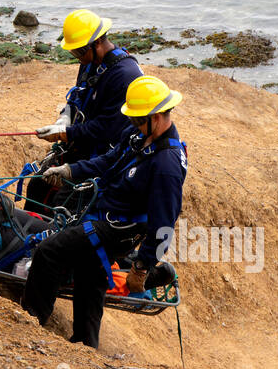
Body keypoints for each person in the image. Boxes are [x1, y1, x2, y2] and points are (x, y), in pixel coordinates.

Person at [23, 75, 187, 348]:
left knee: (49, 252)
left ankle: (30, 321)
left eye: (138, 119)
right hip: (104, 216)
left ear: (156, 116)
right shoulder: (139, 136)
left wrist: (142, 266)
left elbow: (163, 224)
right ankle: (86, 345)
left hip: (117, 231)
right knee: (90, 280)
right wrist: (70, 170)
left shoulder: (166, 165)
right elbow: (109, 160)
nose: (132, 124)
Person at [25, 8, 142, 214]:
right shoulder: (90, 62)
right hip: (83, 147)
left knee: (62, 203)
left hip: (104, 156)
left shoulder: (124, 76)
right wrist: (65, 117)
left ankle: (45, 242)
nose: (77, 57)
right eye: (73, 52)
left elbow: (107, 129)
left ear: (97, 43)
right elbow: (79, 96)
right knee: (37, 185)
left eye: (79, 51)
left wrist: (65, 133)